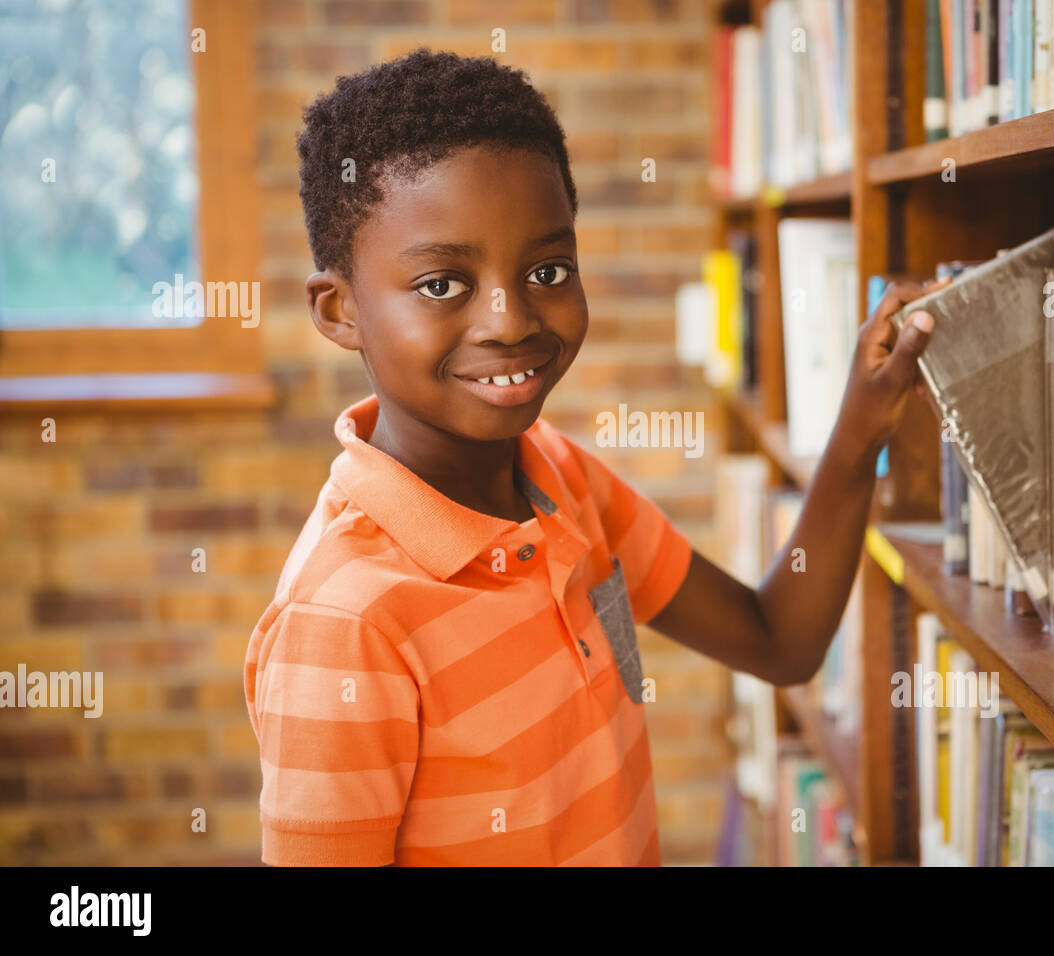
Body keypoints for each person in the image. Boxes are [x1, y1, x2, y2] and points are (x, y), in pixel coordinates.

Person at [244, 49, 937, 866]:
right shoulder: (344, 621)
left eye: (548, 270)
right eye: (442, 285)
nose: (509, 320)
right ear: (339, 310)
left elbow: (777, 639)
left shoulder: (561, 478)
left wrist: (859, 429)